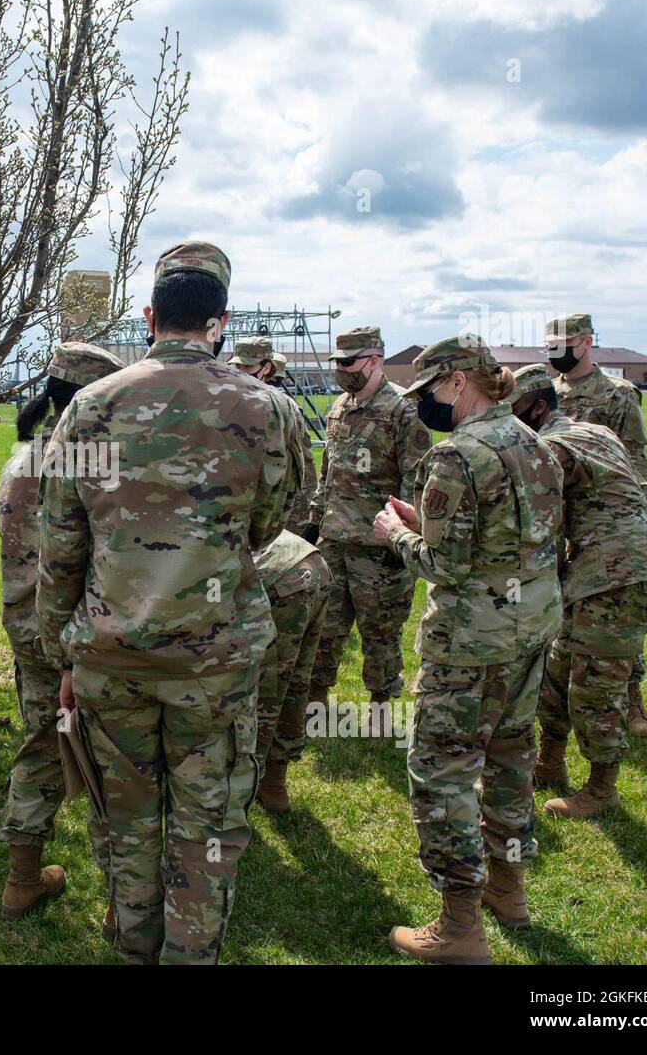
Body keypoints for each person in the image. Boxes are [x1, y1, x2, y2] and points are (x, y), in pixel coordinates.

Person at [37, 241, 300, 964]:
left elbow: (60, 543)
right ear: (221, 320)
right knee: (208, 829)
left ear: (151, 316)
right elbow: (271, 521)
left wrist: (61, 645)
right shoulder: (266, 406)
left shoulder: (91, 407)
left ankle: (135, 948)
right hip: (213, 664)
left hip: (109, 657)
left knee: (126, 825)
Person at [373, 334, 562, 964]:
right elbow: (510, 539)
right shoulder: (536, 443)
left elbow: (447, 567)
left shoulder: (458, 457)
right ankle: (508, 891)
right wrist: (425, 520)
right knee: (510, 758)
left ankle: (459, 924)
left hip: (471, 641)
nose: (425, 405)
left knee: (442, 774)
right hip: (530, 628)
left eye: (429, 391)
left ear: (458, 383)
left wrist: (398, 534)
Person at [509, 365, 647, 818]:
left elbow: (537, 523)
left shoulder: (552, 447)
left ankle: (602, 790)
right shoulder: (594, 433)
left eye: (516, 413)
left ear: (539, 407)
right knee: (559, 668)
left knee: (595, 687)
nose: (511, 424)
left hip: (617, 577)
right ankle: (551, 763)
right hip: (601, 573)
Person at [0, 341, 123, 919]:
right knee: (111, 762)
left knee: (42, 744)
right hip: (84, 639)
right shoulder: (97, 467)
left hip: (29, 631)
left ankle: (23, 877)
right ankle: (123, 896)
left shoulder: (21, 459)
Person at [304, 326, 431, 709]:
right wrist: (313, 521)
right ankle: (316, 704)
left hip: (378, 549)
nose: (341, 370)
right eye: (337, 363)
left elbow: (415, 478)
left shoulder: (404, 410)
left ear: (374, 360)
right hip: (334, 542)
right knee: (324, 630)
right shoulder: (341, 407)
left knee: (380, 635)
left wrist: (402, 535)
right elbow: (328, 471)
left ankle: (380, 709)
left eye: (348, 362)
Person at [545, 314, 647, 737]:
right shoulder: (543, 394)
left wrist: (640, 517)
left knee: (618, 617)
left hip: (606, 525)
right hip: (561, 522)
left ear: (587, 341)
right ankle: (569, 705)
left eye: (564, 342)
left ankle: (631, 701)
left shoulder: (618, 394)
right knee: (568, 618)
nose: (556, 350)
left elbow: (635, 463)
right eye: (549, 343)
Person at [252, 529, 331, 813]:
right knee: (295, 681)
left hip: (281, 577)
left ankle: (248, 784)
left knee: (266, 687)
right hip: (312, 563)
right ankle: (274, 783)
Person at [229, 336, 316, 535]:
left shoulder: (285, 408)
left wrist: (303, 520)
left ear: (266, 368)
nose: (241, 373)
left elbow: (303, 465)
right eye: (237, 367)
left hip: (266, 514)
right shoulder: (228, 403)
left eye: (247, 367)